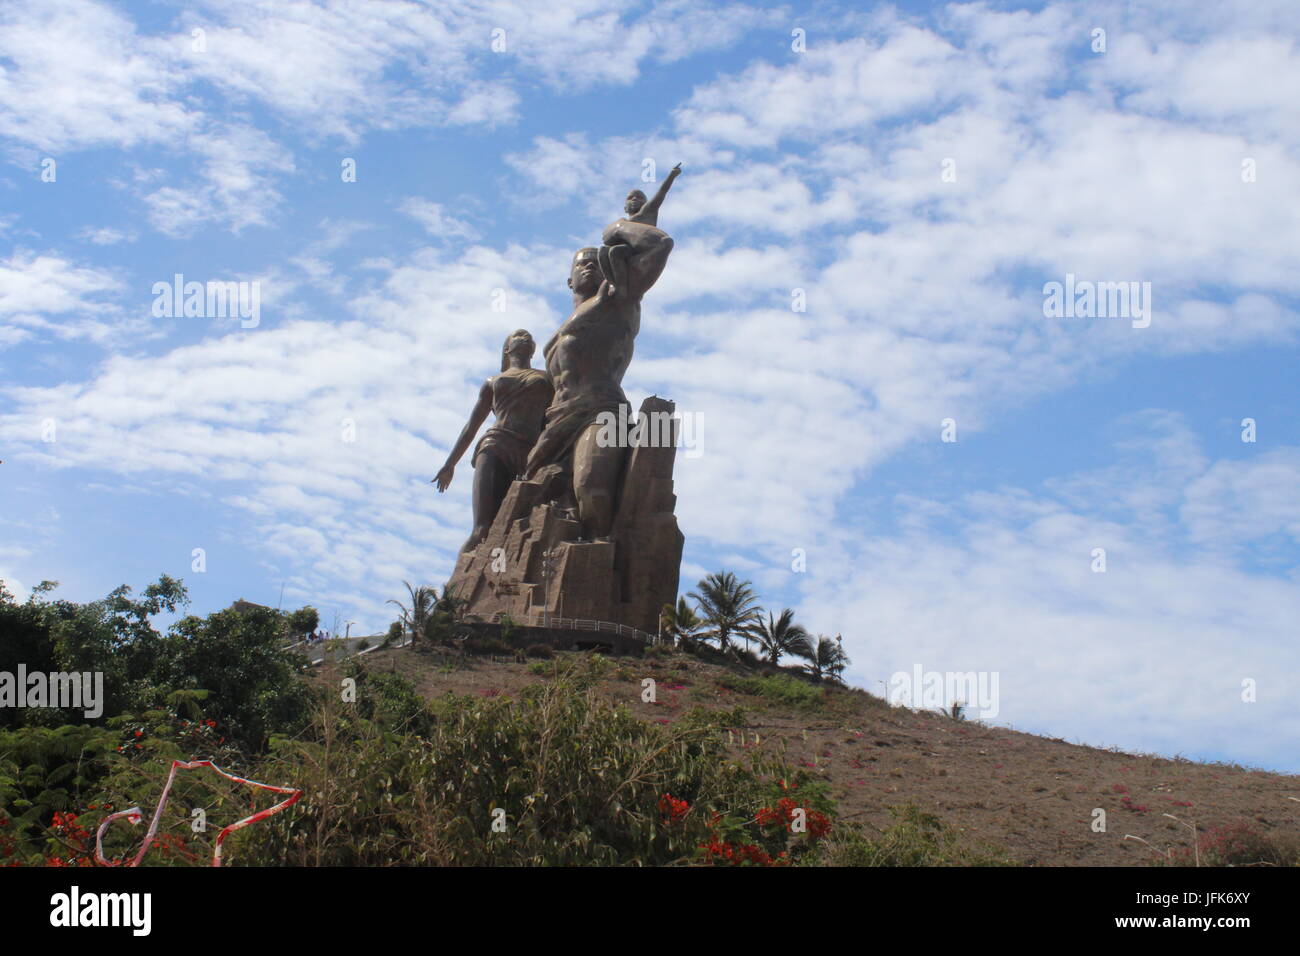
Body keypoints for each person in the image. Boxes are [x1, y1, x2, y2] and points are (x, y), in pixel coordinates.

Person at [435, 329, 554, 552]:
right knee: (482, 529)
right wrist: (450, 464)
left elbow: (554, 417)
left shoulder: (546, 379)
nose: (525, 338)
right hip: (495, 446)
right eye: (518, 336)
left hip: (530, 454)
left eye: (529, 337)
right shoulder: (493, 382)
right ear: (507, 349)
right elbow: (471, 426)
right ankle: (456, 586)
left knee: (517, 525)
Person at [599, 163, 681, 299]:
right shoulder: (623, 224)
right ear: (625, 207)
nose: (635, 199)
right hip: (628, 251)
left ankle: (624, 286)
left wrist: (671, 176)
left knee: (615, 251)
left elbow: (661, 194)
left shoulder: (647, 212)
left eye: (640, 197)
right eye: (631, 198)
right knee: (605, 251)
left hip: (643, 251)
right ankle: (614, 283)